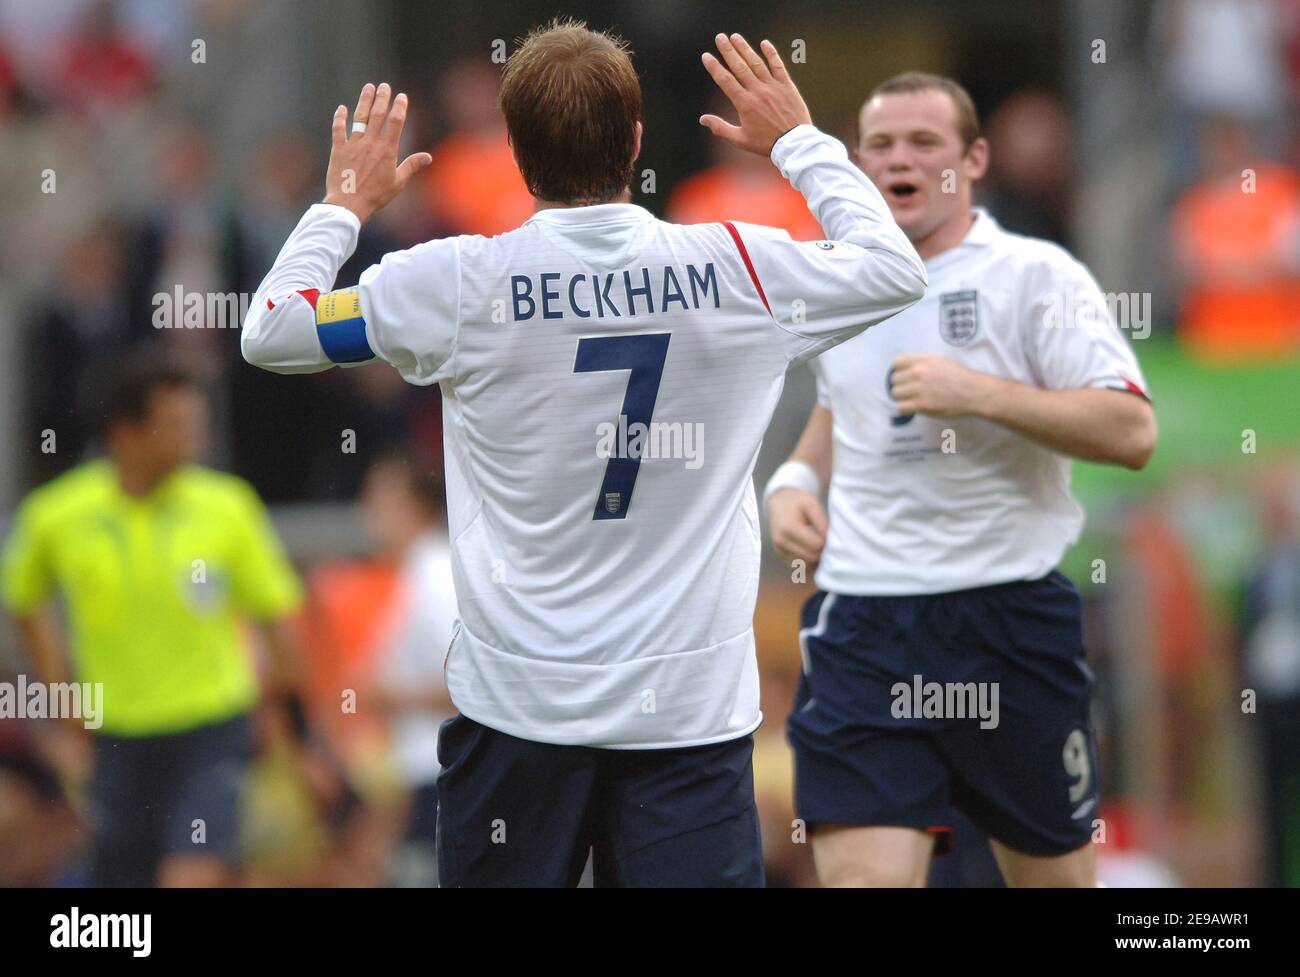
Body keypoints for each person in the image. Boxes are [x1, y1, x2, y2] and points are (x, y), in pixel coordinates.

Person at [241, 20, 926, 887]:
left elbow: (271, 330)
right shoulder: (741, 266)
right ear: (637, 142)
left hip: (514, 715)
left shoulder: (456, 281)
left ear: (517, 157)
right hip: (688, 719)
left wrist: (342, 203)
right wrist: (797, 142)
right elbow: (894, 267)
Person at [764, 72, 1157, 888]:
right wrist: (796, 478)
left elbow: (1131, 429)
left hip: (1007, 617)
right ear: (859, 163)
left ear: (973, 159)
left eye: (924, 143)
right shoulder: (841, 279)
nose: (899, 159)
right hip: (865, 622)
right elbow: (846, 404)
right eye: (881, 144)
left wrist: (980, 393)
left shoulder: (1034, 275)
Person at [1, 356, 319, 887]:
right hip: (116, 737)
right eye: (176, 425)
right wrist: (60, 700)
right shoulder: (57, 516)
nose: (194, 439)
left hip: (212, 727)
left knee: (188, 875)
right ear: (125, 433)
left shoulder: (227, 507)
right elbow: (23, 598)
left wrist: (297, 736)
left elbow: (279, 621)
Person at [358, 453, 457, 887]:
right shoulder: (415, 572)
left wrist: (387, 696)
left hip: (437, 774)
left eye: (380, 496)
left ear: (415, 504)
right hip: (419, 773)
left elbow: (469, 683)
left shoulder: (435, 574)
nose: (368, 508)